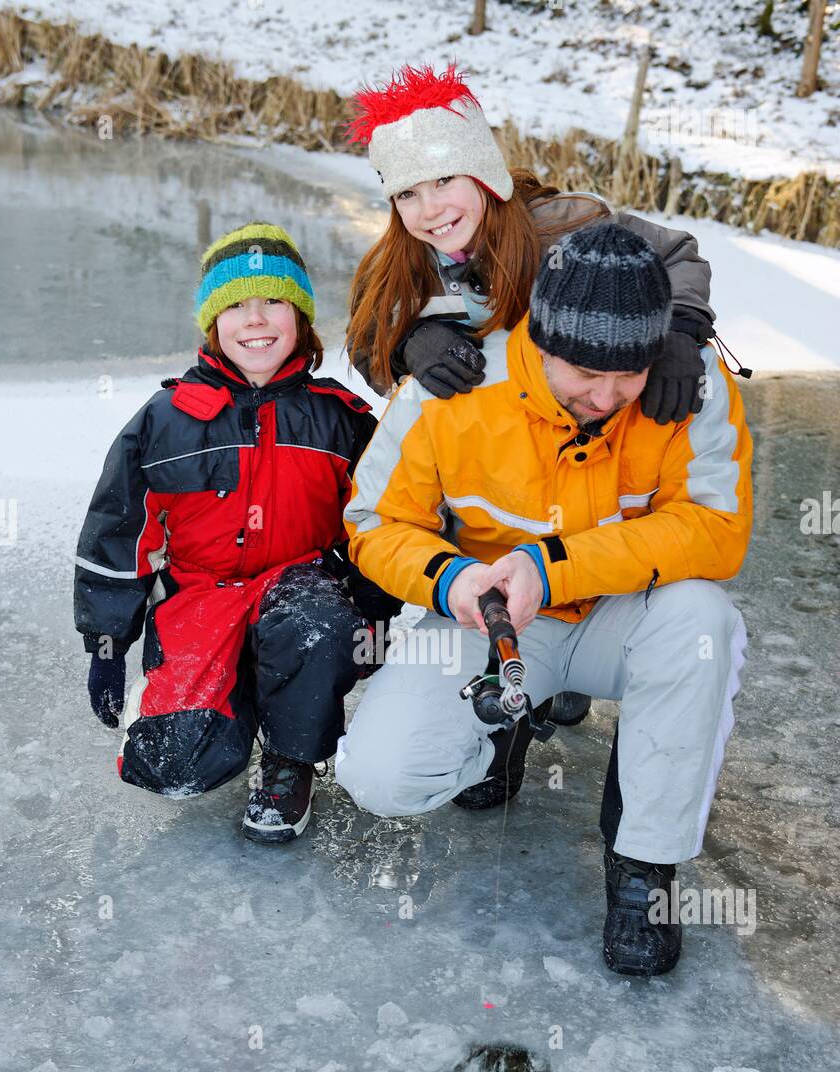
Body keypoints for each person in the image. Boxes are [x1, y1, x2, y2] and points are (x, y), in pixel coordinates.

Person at [335, 221, 753, 977]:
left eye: (624, 378)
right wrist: (449, 578)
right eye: (581, 375)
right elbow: (373, 523)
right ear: (537, 341)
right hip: (488, 616)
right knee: (382, 777)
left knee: (703, 622)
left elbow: (715, 531)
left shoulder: (689, 387)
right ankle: (503, 724)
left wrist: (555, 566)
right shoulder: (455, 385)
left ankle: (642, 868)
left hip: (620, 620)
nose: (603, 396)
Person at [344, 60, 718, 747]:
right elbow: (365, 343)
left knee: (593, 528)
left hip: (587, 429)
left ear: (482, 171)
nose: (428, 209)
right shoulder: (401, 260)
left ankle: (581, 655)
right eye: (406, 194)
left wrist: (678, 335)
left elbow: (676, 257)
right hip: (497, 452)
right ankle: (514, 678)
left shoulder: (565, 227)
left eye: (443, 180)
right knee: (502, 534)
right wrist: (409, 345)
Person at [74, 221, 399, 843]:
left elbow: (379, 525)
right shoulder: (164, 420)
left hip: (301, 585)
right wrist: (107, 643)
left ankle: (289, 760)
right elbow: (118, 533)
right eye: (236, 305)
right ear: (212, 323)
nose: (256, 319)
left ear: (301, 317)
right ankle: (238, 688)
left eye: (274, 301)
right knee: (172, 767)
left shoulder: (342, 419)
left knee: (314, 626)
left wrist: (374, 614)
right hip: (202, 593)